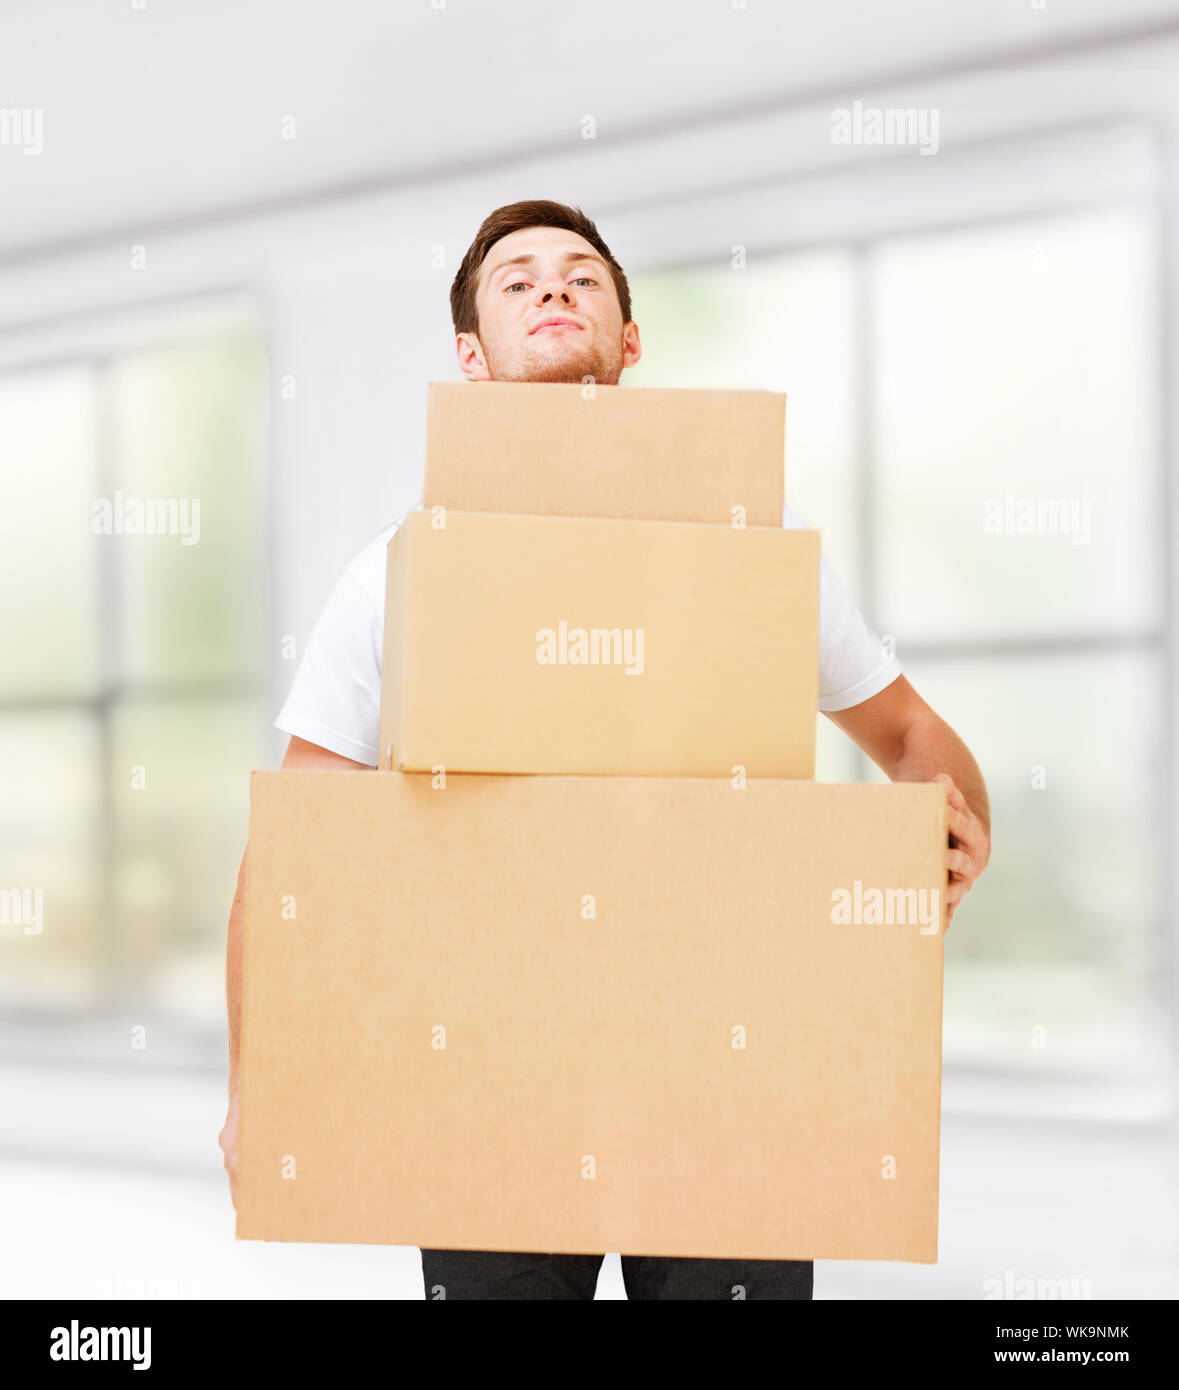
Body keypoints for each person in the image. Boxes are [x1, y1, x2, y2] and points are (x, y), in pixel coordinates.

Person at [219, 198, 991, 1300]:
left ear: (630, 340)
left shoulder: (750, 554)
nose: (553, 289)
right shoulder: (401, 570)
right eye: (518, 279)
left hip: (729, 1068)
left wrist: (950, 818)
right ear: (470, 357)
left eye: (583, 277)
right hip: (493, 1078)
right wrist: (257, 1082)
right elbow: (297, 852)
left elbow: (916, 735)